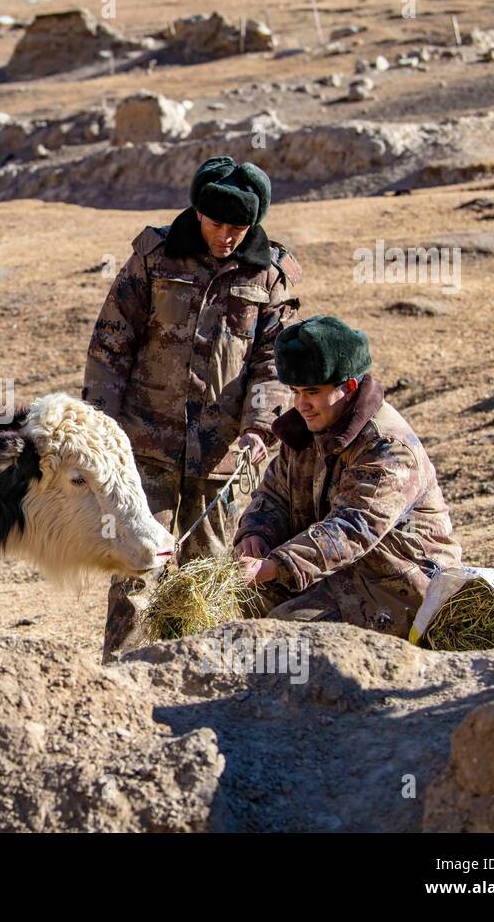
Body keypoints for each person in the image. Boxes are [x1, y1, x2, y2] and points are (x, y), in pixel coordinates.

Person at [84, 155, 302, 661]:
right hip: (145, 446)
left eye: (238, 227)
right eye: (216, 224)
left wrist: (260, 427)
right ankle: (121, 672)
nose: (226, 236)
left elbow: (275, 361)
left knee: (208, 578)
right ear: (197, 212)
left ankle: (196, 675)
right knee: (139, 566)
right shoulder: (154, 257)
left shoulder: (269, 275)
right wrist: (101, 426)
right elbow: (110, 344)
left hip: (223, 458)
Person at [233, 315, 462, 638]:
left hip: (398, 585)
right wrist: (255, 533)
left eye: (312, 392)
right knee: (237, 610)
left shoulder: (388, 448)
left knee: (283, 633)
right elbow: (274, 495)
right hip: (328, 574)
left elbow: (353, 528)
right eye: (295, 392)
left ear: (349, 387)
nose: (301, 405)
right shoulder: (305, 430)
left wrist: (276, 566)